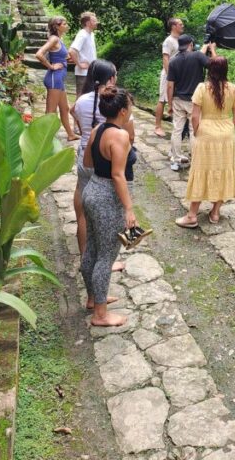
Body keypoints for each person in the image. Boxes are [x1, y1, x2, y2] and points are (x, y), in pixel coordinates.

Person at [80, 86, 138, 327]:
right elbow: (118, 174)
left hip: (91, 190)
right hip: (108, 198)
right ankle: (101, 315)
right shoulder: (120, 136)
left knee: (92, 247)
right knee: (106, 256)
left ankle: (94, 298)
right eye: (130, 107)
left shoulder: (97, 130)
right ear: (123, 111)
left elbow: (87, 161)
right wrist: (129, 209)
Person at [70, 59, 132, 282]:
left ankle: (85, 254)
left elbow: (72, 111)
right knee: (106, 217)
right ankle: (104, 260)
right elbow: (128, 137)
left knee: (83, 214)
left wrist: (81, 130)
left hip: (86, 153)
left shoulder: (83, 101)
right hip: (105, 162)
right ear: (111, 78)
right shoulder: (115, 103)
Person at [175, 57, 235, 228]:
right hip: (226, 135)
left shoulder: (202, 88)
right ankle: (215, 212)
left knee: (200, 170)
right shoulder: (233, 89)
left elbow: (195, 116)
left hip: (206, 134)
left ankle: (191, 215)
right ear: (226, 70)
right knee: (223, 169)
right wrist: (228, 129)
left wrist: (197, 131)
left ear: (210, 70)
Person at [167, 34, 215, 171]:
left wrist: (170, 104)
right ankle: (195, 159)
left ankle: (175, 160)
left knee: (177, 129)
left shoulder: (173, 61)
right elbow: (214, 65)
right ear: (191, 44)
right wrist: (211, 49)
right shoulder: (197, 56)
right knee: (194, 130)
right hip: (195, 101)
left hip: (177, 100)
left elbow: (170, 85)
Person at [36, 16, 80, 141]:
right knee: (50, 112)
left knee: (65, 108)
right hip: (54, 78)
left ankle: (70, 135)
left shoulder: (59, 40)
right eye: (64, 23)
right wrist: (51, 66)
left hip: (59, 79)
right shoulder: (54, 39)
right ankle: (42, 140)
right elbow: (39, 54)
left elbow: (63, 58)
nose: (66, 25)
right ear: (57, 26)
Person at [154, 18, 184, 137]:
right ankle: (157, 126)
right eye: (180, 24)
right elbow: (165, 59)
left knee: (176, 99)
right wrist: (169, 74)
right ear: (173, 26)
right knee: (163, 99)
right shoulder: (168, 41)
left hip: (179, 75)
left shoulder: (181, 40)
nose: (182, 25)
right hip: (169, 75)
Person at [68, 11, 99, 96]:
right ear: (88, 23)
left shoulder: (91, 34)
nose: (97, 22)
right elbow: (72, 51)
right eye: (95, 21)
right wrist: (79, 65)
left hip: (90, 73)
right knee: (81, 98)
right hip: (83, 73)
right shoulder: (82, 34)